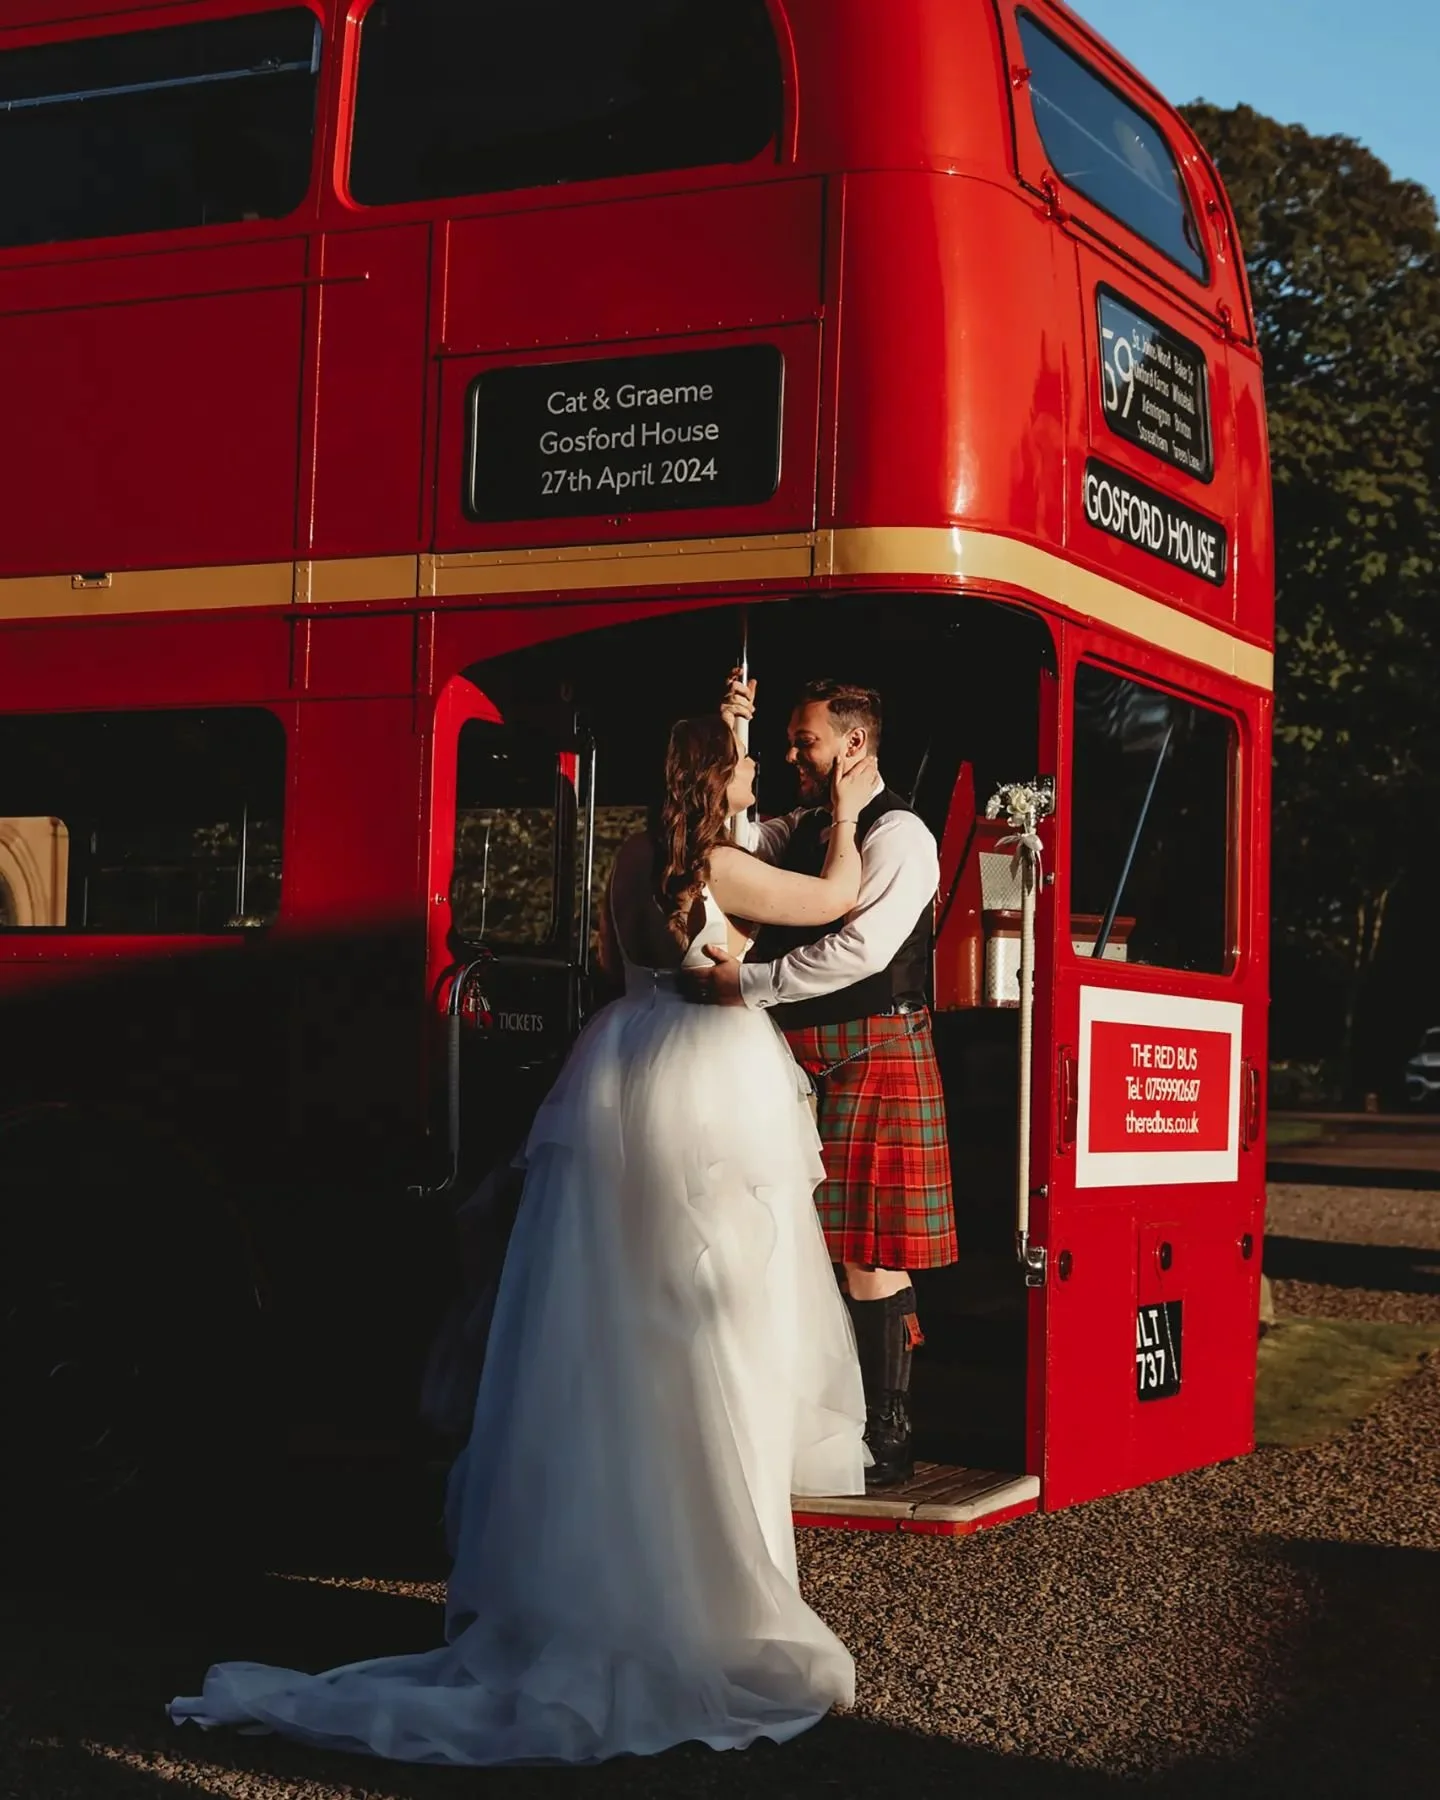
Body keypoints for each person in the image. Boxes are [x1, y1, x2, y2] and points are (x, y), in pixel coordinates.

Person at [168, 714, 877, 1768]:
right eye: (743, 763)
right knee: (707, 1331)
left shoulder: (636, 857)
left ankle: (599, 1576)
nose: (758, 773)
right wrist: (850, 815)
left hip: (624, 1068)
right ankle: (704, 1590)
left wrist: (731, 736)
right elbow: (836, 900)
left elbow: (621, 960)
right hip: (703, 1085)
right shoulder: (723, 867)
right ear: (714, 782)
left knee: (610, 1325)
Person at [686, 677, 958, 1490]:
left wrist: (749, 984)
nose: (791, 756)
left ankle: (888, 1434)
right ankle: (819, 1423)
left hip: (876, 1049)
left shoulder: (901, 833)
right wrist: (732, 733)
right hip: (796, 1056)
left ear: (853, 744)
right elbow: (728, 844)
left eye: (804, 742)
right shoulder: (804, 825)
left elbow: (861, 951)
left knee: (868, 1254)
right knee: (794, 1245)